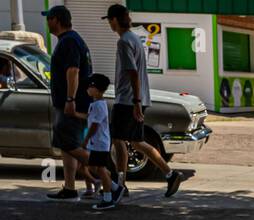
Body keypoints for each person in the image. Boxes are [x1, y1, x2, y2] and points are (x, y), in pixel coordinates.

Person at [104, 4, 182, 198]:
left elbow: (133, 73)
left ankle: (120, 184)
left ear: (114, 20)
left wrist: (136, 101)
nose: (110, 24)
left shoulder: (123, 42)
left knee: (118, 140)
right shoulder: (134, 39)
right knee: (137, 142)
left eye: (110, 20)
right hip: (136, 98)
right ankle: (170, 174)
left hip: (128, 100)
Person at [43, 5, 93, 200]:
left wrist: (70, 99)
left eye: (49, 18)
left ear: (57, 20)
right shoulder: (70, 40)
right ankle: (70, 188)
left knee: (68, 143)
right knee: (67, 145)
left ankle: (110, 179)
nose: (47, 23)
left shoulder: (69, 42)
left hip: (71, 103)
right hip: (68, 101)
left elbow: (73, 71)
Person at [82, 73, 121, 209]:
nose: (87, 88)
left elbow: (94, 125)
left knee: (101, 169)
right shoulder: (96, 104)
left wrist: (86, 139)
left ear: (97, 89)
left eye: (90, 86)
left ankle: (107, 198)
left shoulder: (99, 105)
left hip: (99, 142)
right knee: (94, 167)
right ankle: (116, 188)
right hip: (97, 143)